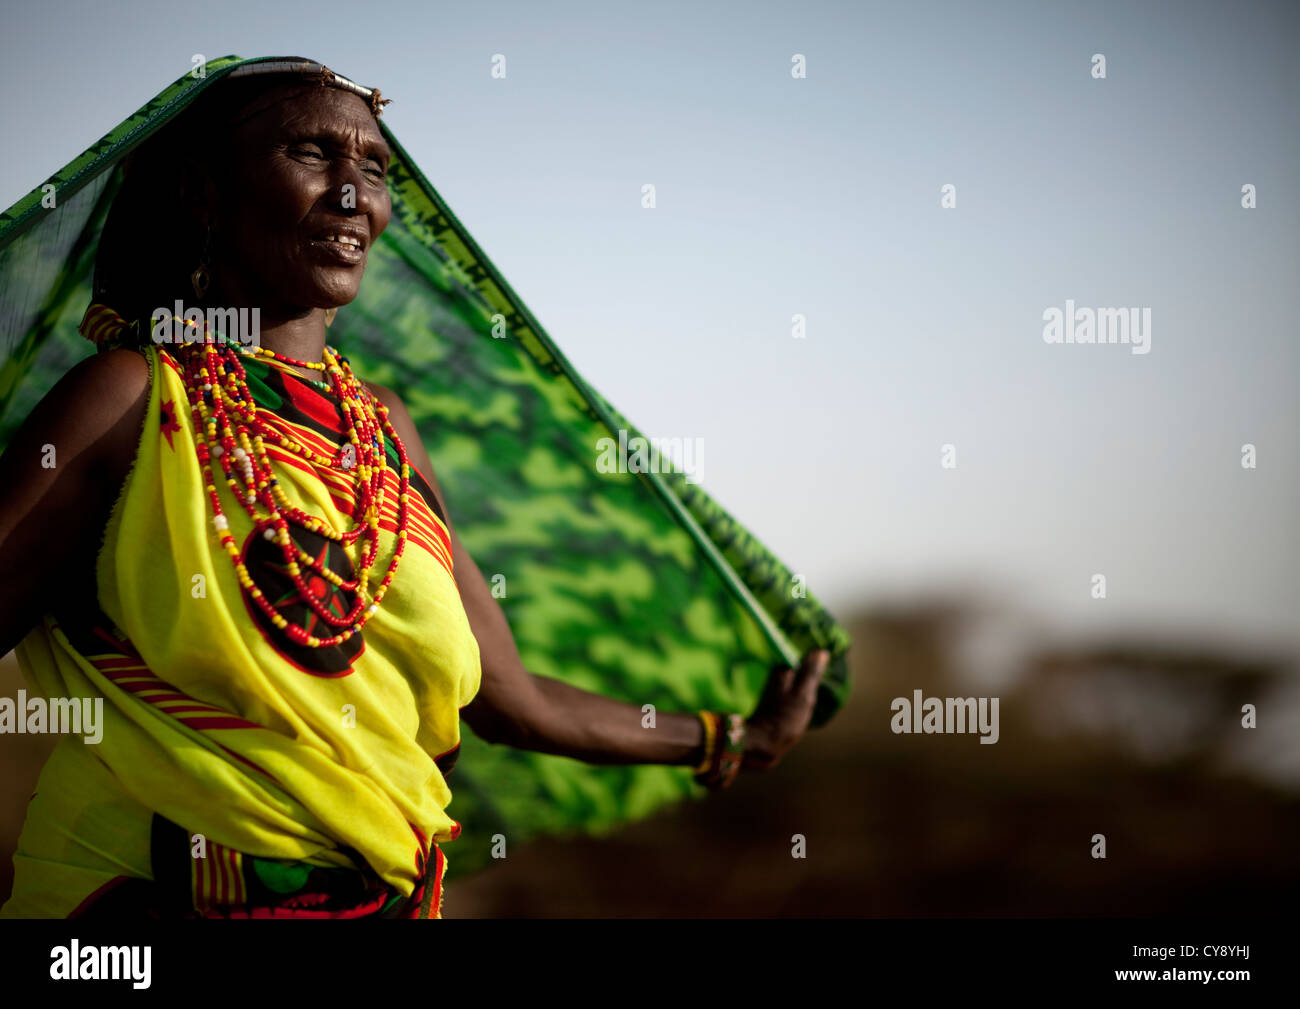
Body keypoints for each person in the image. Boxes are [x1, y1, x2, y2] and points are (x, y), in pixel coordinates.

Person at [0, 64, 829, 918]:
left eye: (375, 168)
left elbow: (516, 701)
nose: (353, 194)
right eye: (311, 153)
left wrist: (733, 740)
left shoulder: (384, 432)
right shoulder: (131, 398)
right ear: (205, 192)